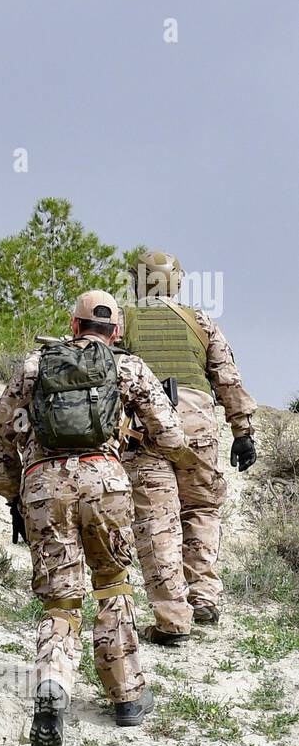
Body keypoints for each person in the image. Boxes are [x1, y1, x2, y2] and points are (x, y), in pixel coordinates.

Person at [0, 291, 198, 746]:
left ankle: (52, 681)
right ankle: (126, 698)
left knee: (61, 602)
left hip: (44, 486)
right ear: (116, 332)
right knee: (112, 585)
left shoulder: (34, 366)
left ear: (73, 325)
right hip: (106, 484)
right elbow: (168, 434)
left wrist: (12, 495)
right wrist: (181, 460)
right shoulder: (130, 368)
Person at [121, 250, 257, 641]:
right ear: (175, 281)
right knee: (201, 508)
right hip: (199, 426)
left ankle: (171, 619)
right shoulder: (199, 321)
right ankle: (204, 597)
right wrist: (242, 432)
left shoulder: (125, 320)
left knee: (156, 520)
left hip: (146, 429)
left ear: (138, 281)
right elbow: (227, 378)